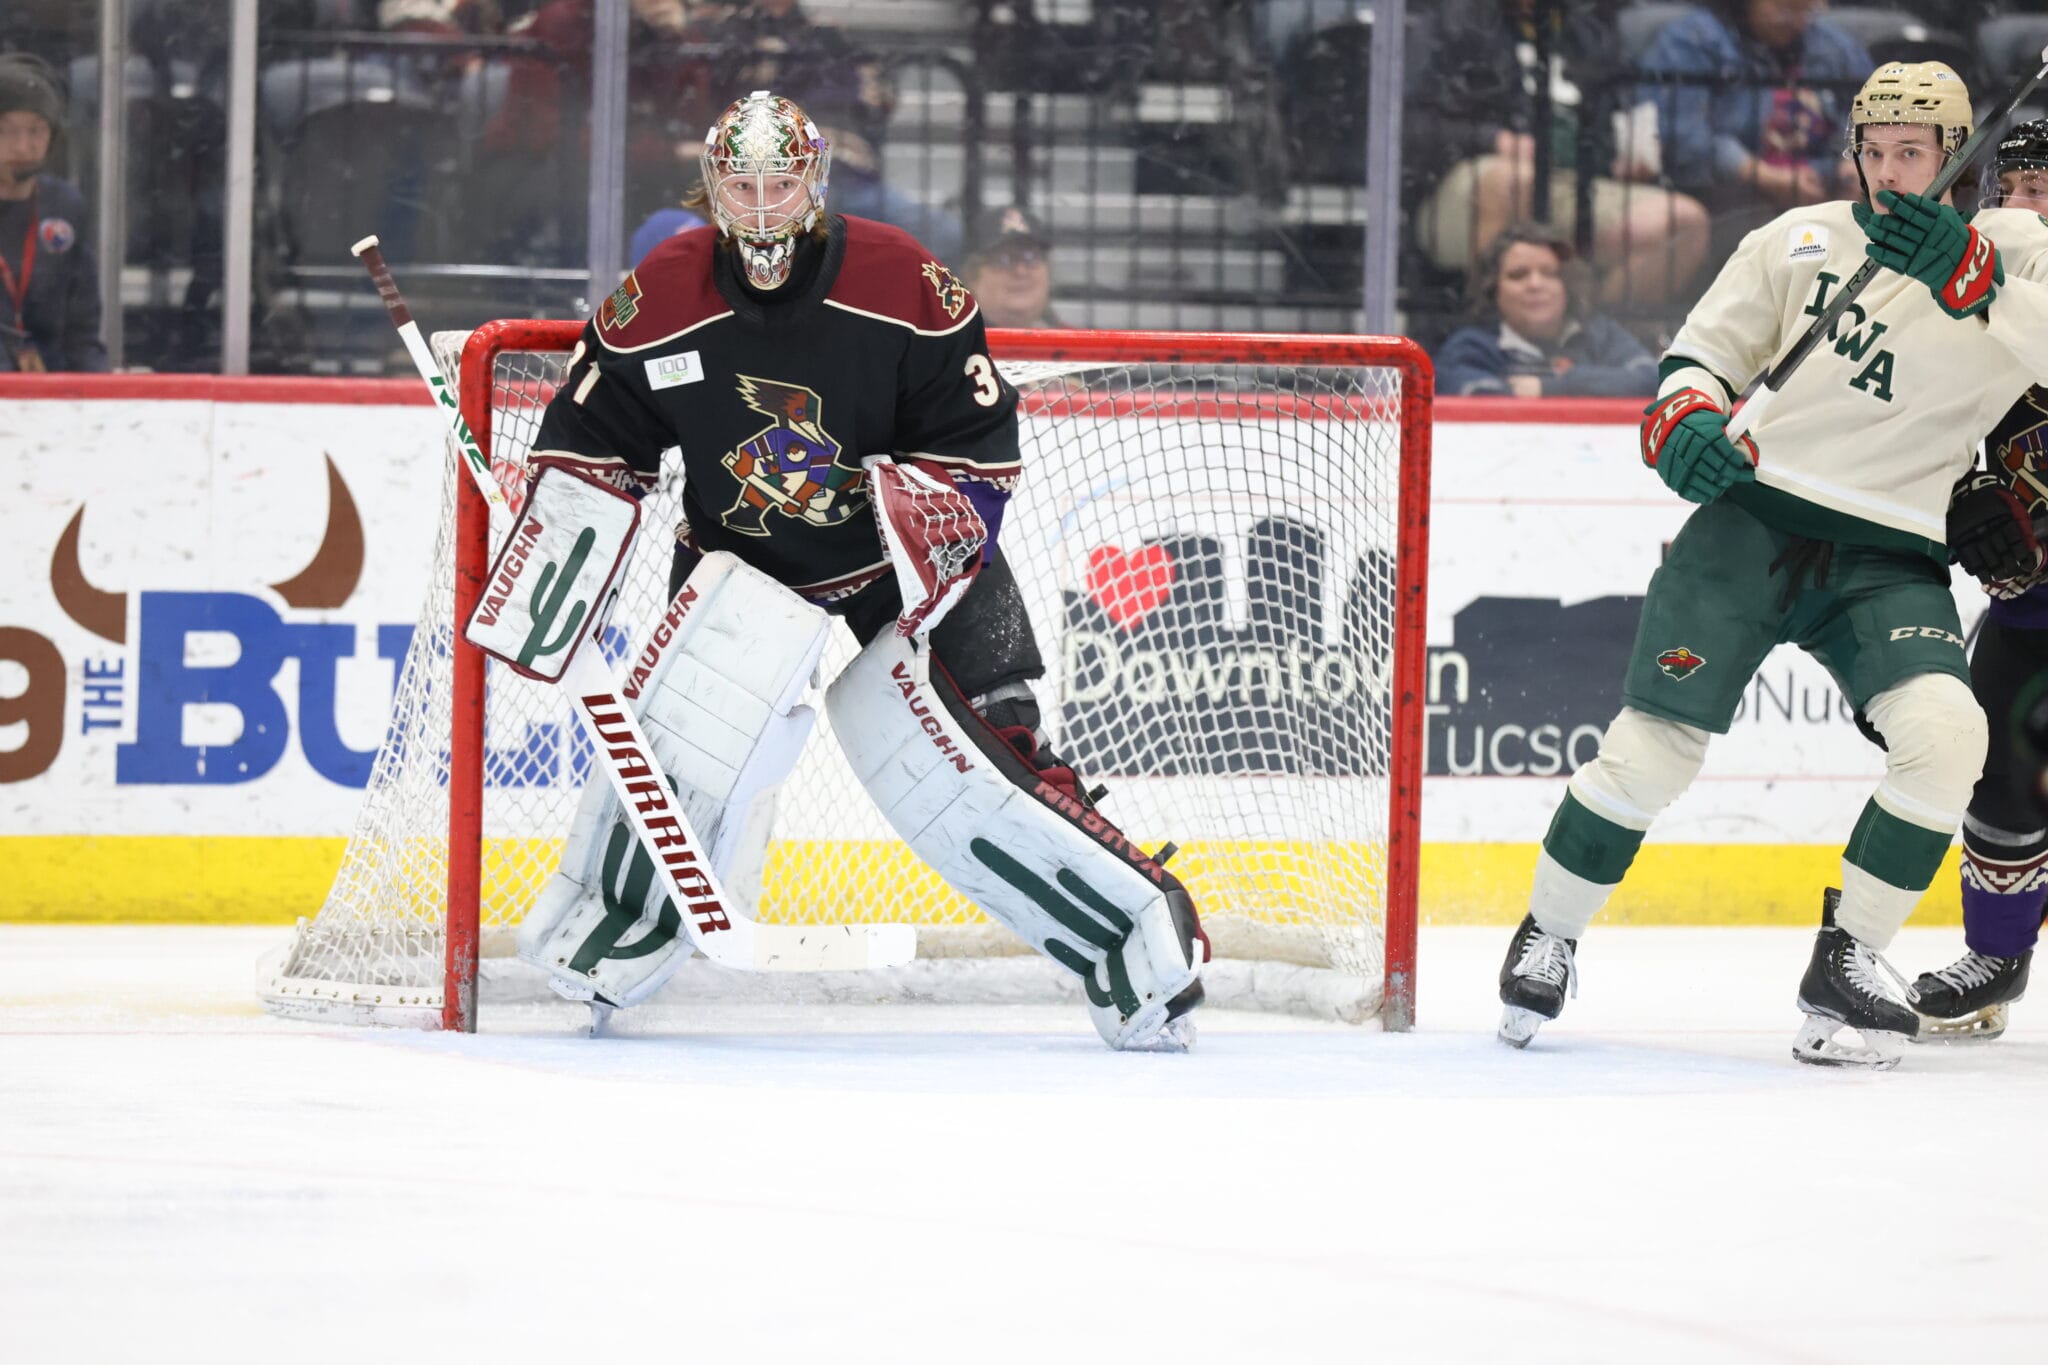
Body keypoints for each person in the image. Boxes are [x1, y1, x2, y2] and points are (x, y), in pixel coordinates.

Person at [509, 91, 1209, 1051]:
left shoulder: (905, 281)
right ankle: (616, 932)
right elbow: (594, 439)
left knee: (994, 754)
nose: (759, 207)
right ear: (710, 188)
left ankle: (1133, 932)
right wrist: (561, 560)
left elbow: (980, 444)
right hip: (738, 563)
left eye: (780, 182)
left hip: (900, 558)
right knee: (686, 765)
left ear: (817, 182)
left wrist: (930, 538)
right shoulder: (659, 294)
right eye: (740, 184)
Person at [1494, 62, 2048, 1070]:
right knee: (1652, 747)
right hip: (1746, 531)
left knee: (1946, 733)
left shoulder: (2016, 250)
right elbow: (1697, 360)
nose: (1886, 176)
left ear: (1959, 162)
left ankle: (1847, 960)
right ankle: (1548, 932)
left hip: (1886, 557)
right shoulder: (1797, 241)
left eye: (1910, 156)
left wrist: (1966, 275)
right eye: (1871, 155)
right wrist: (1683, 423)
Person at [1912, 120, 2048, 1043]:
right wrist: (1963, 496)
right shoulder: (1958, 306)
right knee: (1997, 764)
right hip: (2027, 603)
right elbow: (1914, 434)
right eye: (2016, 188)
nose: (2028, 208)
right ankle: (1996, 957)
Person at [1406, 0, 1710, 306]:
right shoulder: (1456, 21)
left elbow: (1614, 108)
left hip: (1572, 185)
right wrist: (1494, 140)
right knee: (1513, 181)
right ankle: (1493, 336)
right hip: (1463, 188)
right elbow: (1405, 124)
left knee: (1684, 223)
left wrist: (1627, 152)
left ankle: (1587, 337)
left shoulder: (1585, 31)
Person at [1638, 1, 1870, 222]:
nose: (1797, 22)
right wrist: (1762, 175)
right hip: (1727, 202)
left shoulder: (1833, 46)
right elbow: (1684, 140)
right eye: (1784, 9)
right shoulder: (1691, 41)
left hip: (1824, 191)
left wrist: (1854, 161)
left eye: (1807, 10)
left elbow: (1870, 111)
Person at [1432, 222, 1657, 398]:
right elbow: (1477, 396)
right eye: (1519, 275)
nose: (1535, 285)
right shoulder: (1470, 348)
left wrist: (1553, 387)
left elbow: (1652, 380)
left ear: (1567, 285)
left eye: (1549, 273)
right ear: (1493, 289)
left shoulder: (1601, 335)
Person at [0, 53, 104, 373]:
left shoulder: (65, 206)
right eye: (6, 130)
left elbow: (81, 330)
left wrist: (98, 393)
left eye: (37, 130)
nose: (23, 146)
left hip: (48, 386)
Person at [959, 204, 1063, 330]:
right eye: (1003, 260)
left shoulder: (1078, 345)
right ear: (972, 277)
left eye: (1032, 258)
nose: (1021, 271)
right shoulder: (949, 345)